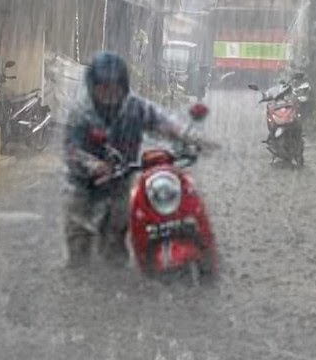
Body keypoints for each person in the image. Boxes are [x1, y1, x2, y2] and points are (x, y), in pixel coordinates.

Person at [63, 51, 216, 267]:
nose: (109, 93)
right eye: (102, 87)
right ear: (92, 87)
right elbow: (71, 149)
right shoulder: (81, 114)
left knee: (116, 237)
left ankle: (114, 279)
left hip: (120, 182)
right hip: (83, 186)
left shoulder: (134, 107)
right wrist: (94, 165)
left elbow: (165, 122)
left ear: (123, 85)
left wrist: (193, 138)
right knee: (79, 242)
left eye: (114, 86)